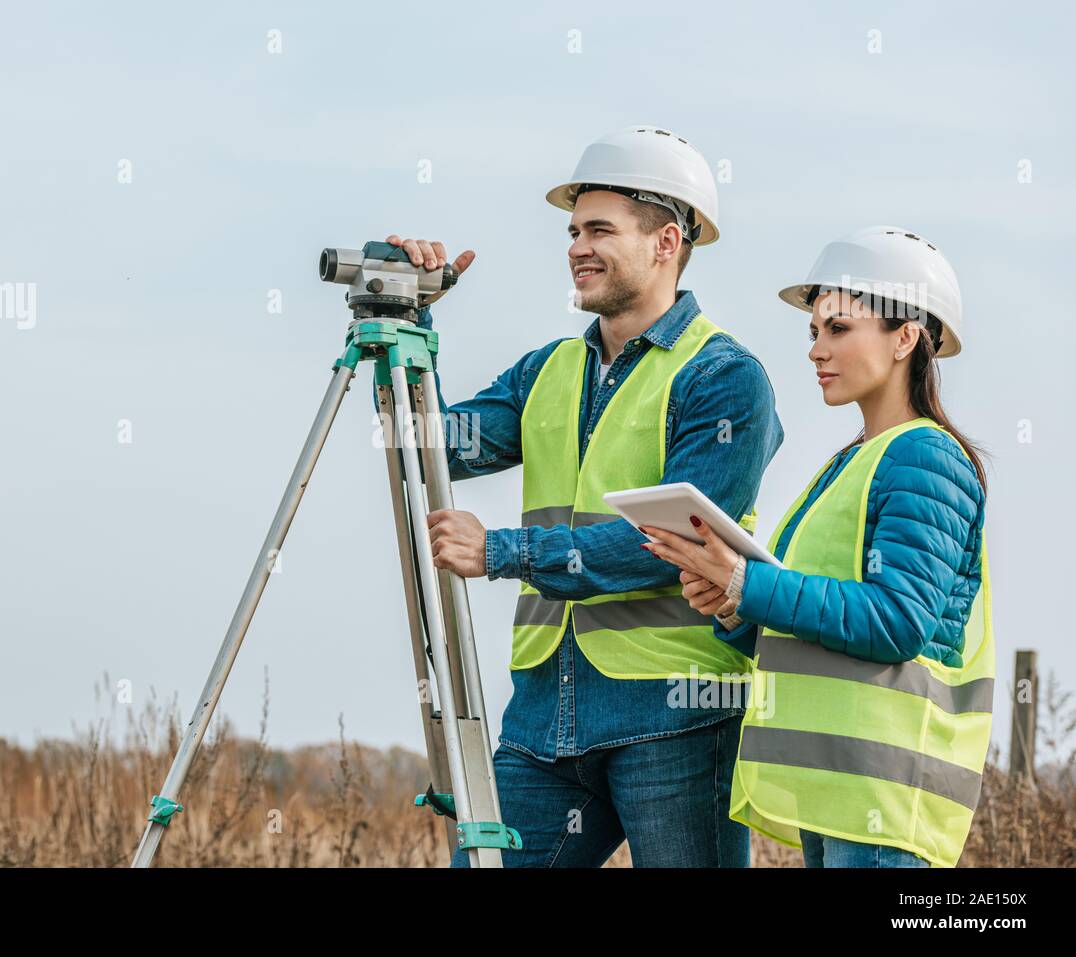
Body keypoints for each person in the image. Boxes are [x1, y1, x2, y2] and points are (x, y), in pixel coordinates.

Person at [383, 126, 783, 866]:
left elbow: (675, 544)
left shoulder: (723, 378)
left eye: (600, 229)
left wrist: (503, 551)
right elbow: (415, 447)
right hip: (543, 719)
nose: (576, 246)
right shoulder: (547, 370)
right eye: (573, 230)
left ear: (667, 241)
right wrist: (408, 324)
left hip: (675, 717)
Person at [639, 226, 993, 868]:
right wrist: (732, 607)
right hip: (839, 790)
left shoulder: (925, 458)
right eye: (814, 332)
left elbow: (896, 622)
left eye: (838, 329)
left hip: (882, 797)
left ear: (905, 336)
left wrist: (748, 583)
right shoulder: (852, 463)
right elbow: (815, 625)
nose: (815, 350)